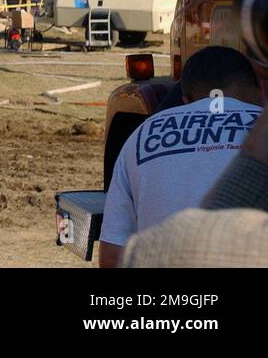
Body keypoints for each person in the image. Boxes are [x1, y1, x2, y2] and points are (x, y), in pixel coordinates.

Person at [99, 46, 263, 267]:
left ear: (185, 99)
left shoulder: (143, 134)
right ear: (259, 91)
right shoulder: (262, 127)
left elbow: (112, 254)